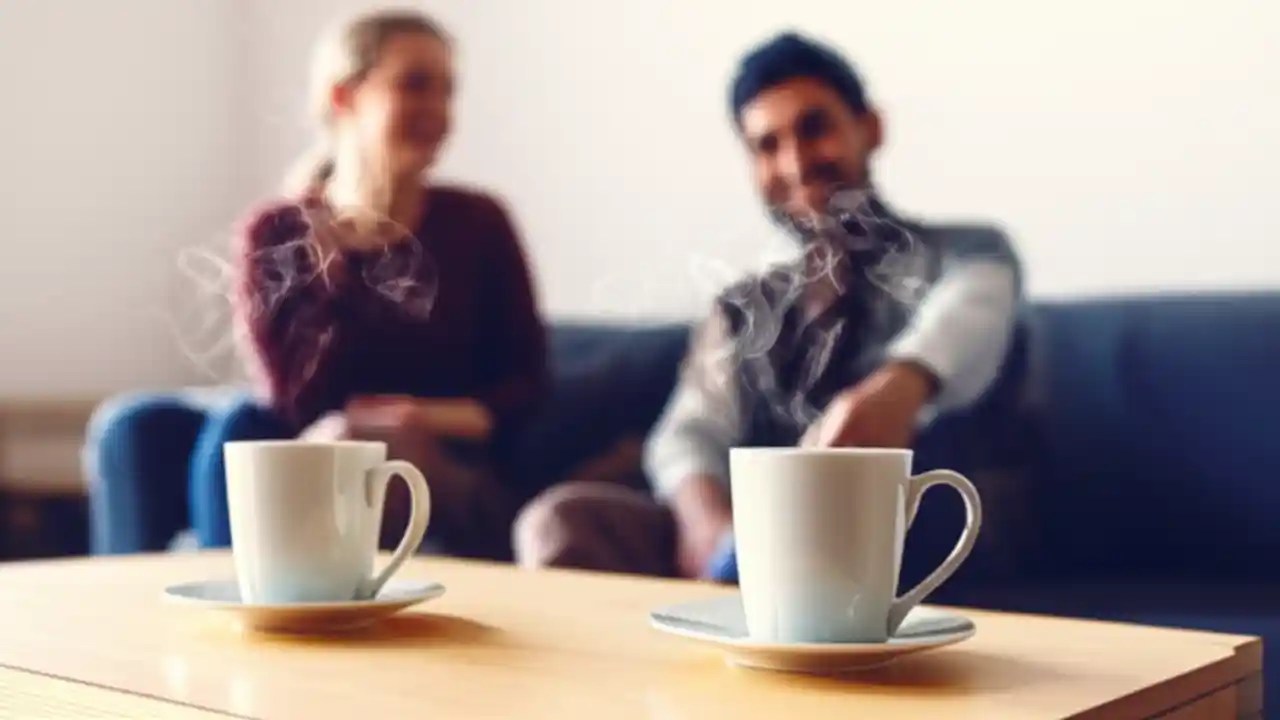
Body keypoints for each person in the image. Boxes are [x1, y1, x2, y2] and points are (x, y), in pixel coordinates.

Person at [513, 31, 1022, 579]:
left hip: (910, 535)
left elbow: (969, 317)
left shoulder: (969, 254)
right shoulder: (743, 307)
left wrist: (899, 387)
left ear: (870, 128)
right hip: (754, 555)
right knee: (556, 523)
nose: (796, 163)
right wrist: (708, 528)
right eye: (767, 145)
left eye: (815, 128)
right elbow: (687, 433)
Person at [89, 10, 548, 559]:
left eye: (448, 90)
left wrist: (415, 414)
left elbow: (526, 390)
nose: (439, 110)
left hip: (447, 457)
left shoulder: (479, 223)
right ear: (343, 97)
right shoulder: (281, 230)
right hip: (313, 431)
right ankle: (137, 609)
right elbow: (295, 399)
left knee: (269, 430)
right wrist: (332, 270)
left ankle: (248, 596)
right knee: (137, 426)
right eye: (414, 84)